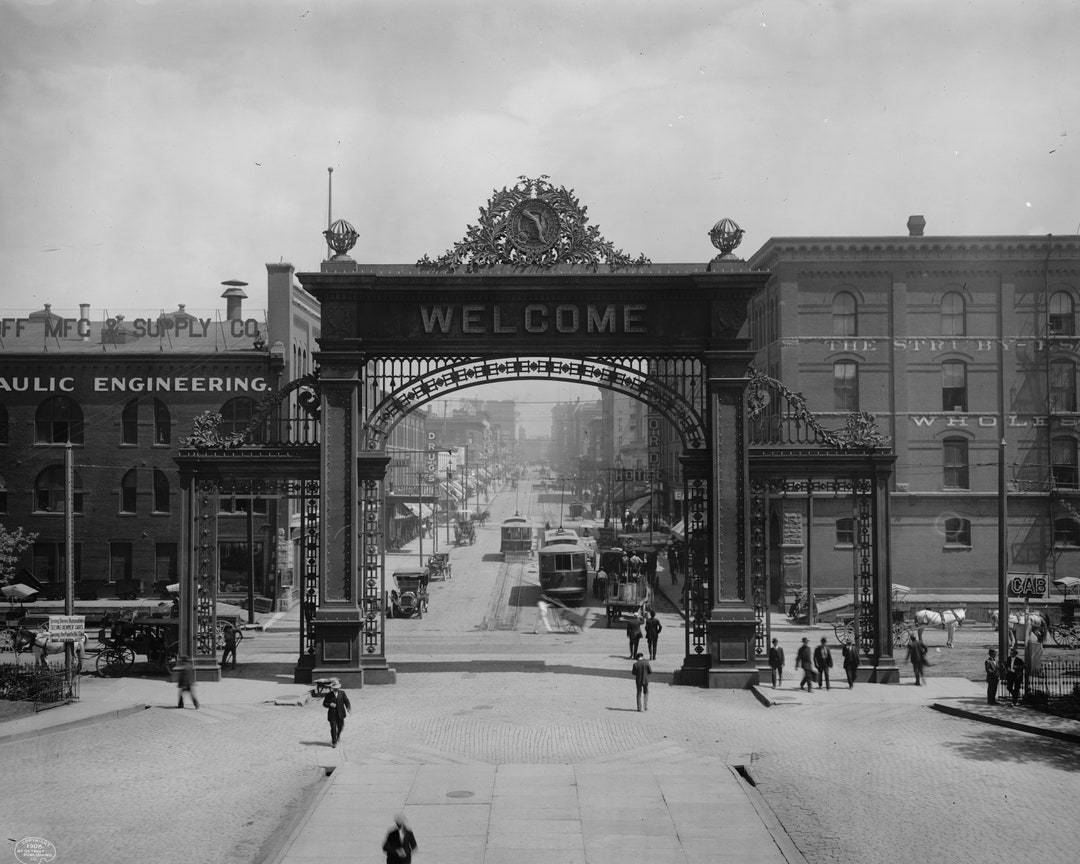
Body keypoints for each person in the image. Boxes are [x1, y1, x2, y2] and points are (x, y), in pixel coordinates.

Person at [322, 678, 352, 748]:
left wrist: (348, 708)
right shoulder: (329, 695)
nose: (336, 689)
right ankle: (334, 742)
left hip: (340, 714)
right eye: (334, 688)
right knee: (333, 728)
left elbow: (346, 701)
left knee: (341, 727)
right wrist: (330, 704)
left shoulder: (342, 693)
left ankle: (338, 735)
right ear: (332, 688)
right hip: (332, 715)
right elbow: (324, 703)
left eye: (337, 688)